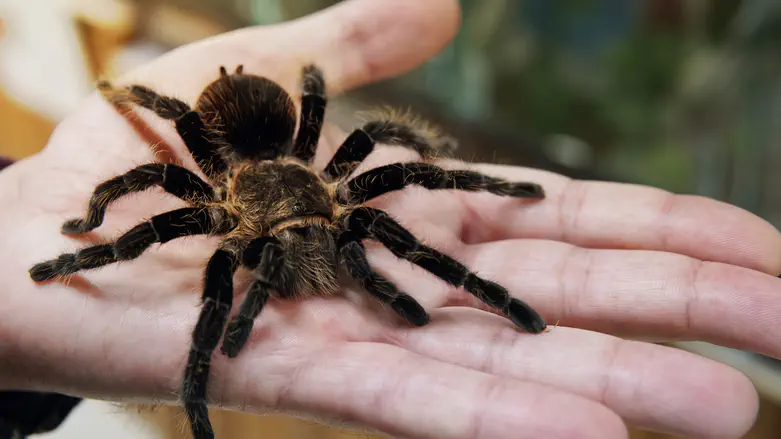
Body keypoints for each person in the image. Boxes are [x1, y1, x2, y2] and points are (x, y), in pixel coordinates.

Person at [1, 1, 780, 438]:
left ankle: (496, 296)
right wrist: (72, 251)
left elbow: (398, 151)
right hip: (249, 171)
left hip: (289, 171)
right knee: (207, 270)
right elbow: (152, 183)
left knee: (397, 161)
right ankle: (192, 392)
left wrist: (457, 171)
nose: (319, 249)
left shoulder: (340, 194)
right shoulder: (207, 188)